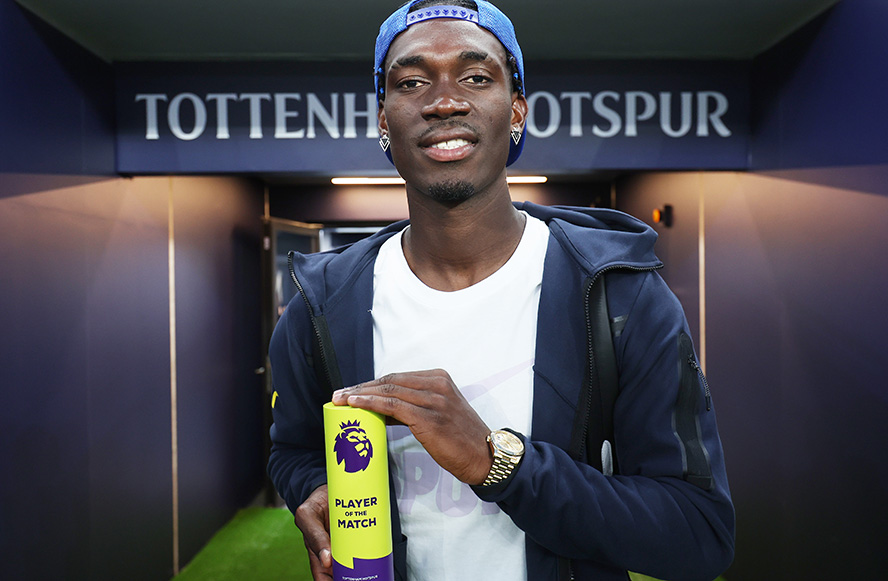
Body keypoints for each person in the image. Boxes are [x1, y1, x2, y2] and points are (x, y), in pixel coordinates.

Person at [267, 1, 736, 580]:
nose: (443, 101)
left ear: (516, 109)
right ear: (384, 119)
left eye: (475, 77)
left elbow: (698, 533)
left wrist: (497, 463)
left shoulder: (620, 296)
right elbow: (293, 451)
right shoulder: (322, 304)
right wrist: (317, 488)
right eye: (411, 82)